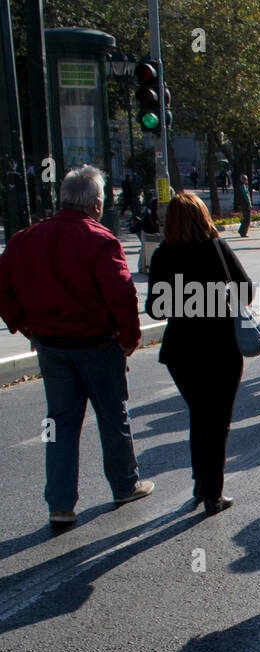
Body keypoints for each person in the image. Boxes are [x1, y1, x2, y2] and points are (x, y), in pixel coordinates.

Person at [0, 165, 153, 525]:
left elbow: (3, 287)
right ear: (97, 204)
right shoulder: (101, 240)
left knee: (60, 423)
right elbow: (121, 293)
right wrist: (129, 338)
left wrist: (23, 325)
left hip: (52, 344)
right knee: (113, 418)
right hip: (97, 344)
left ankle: (60, 502)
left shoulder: (25, 238)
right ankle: (124, 485)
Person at [146, 191, 247, 515]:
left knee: (199, 414)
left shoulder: (163, 254)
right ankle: (212, 493)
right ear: (203, 217)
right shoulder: (217, 248)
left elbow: (155, 309)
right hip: (221, 347)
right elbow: (244, 289)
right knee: (217, 421)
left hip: (182, 349)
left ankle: (201, 482)